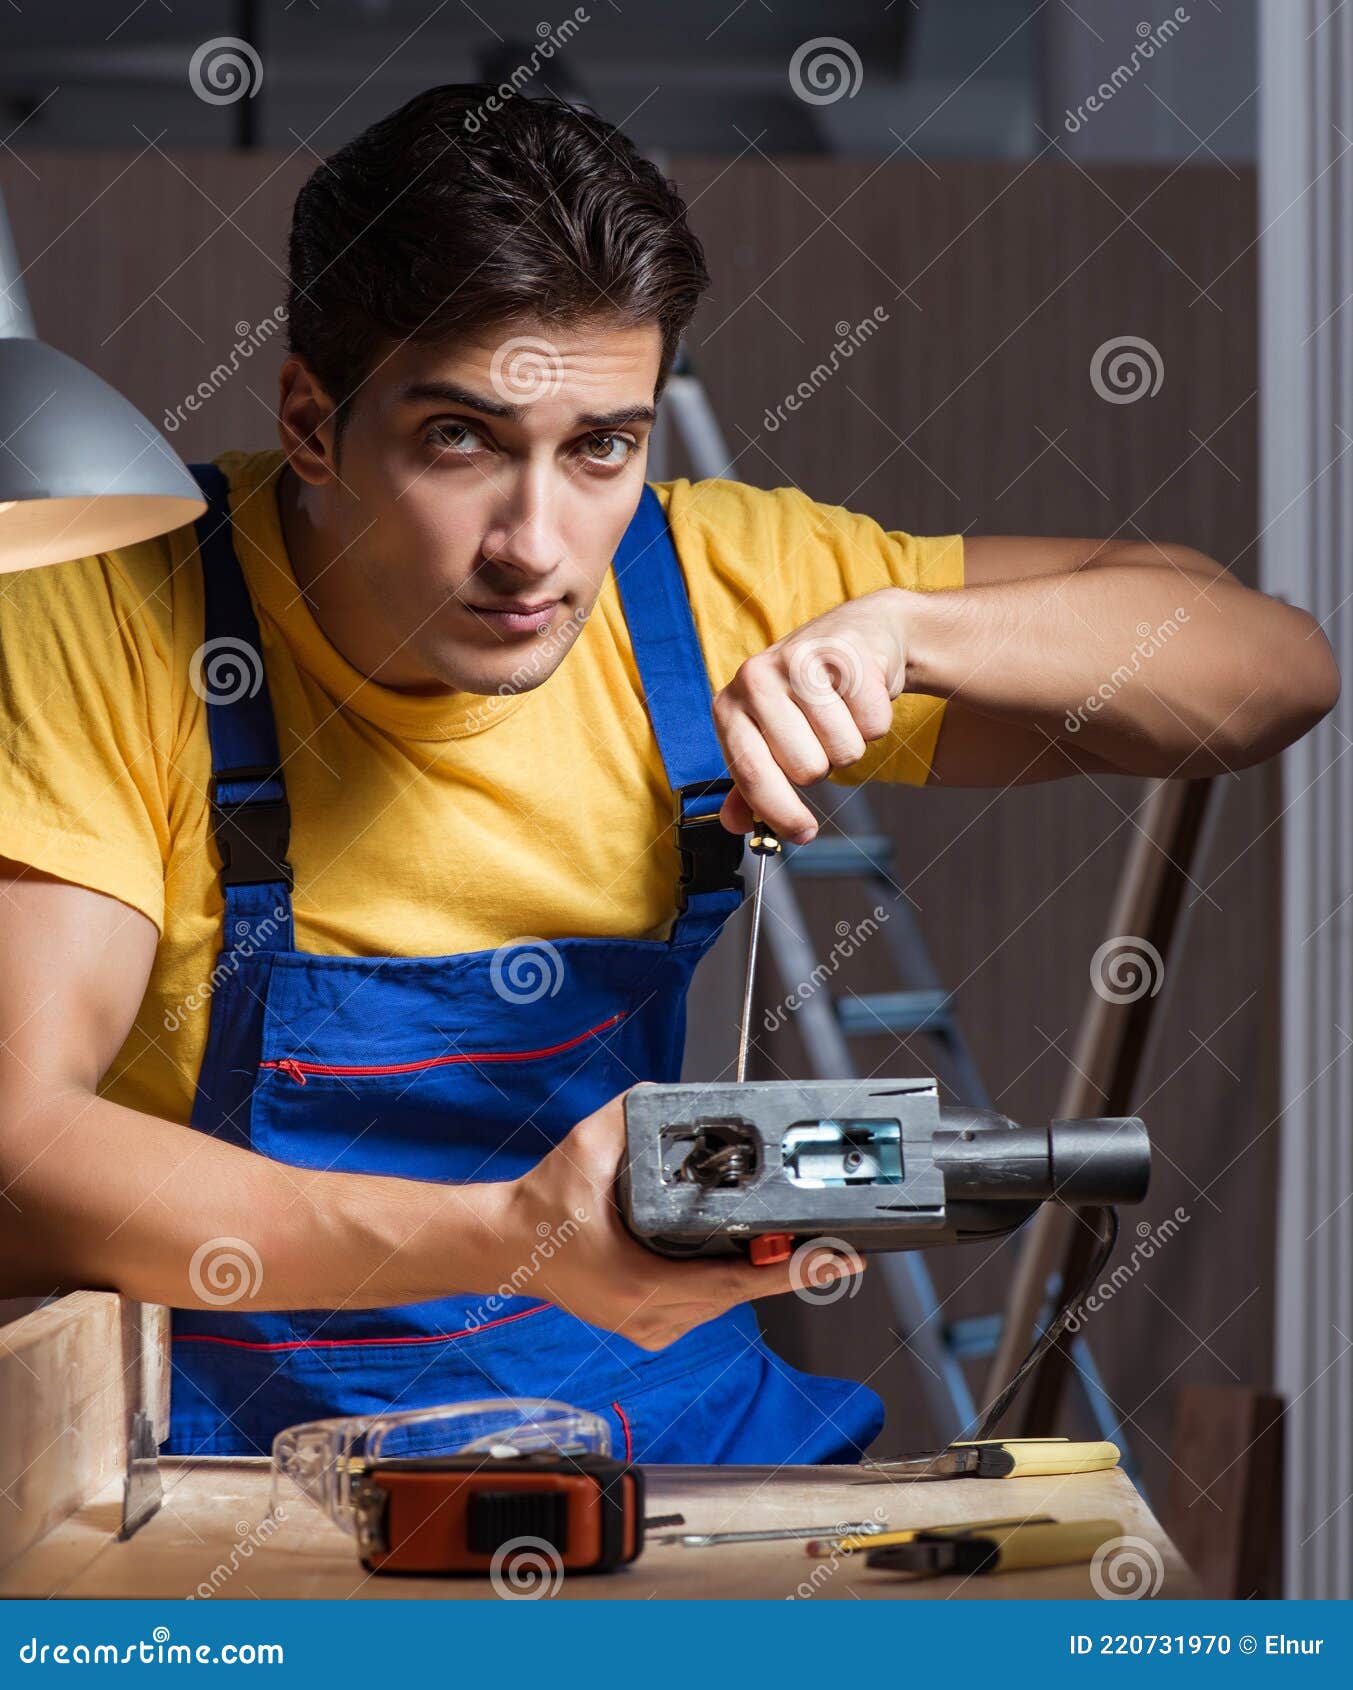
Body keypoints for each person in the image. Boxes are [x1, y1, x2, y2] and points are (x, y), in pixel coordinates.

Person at [0, 87, 1336, 1462]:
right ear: (309, 424)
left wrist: (916, 633)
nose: (537, 545)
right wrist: (511, 1239)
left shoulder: (700, 588)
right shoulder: (111, 613)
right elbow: (22, 1145)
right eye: (460, 440)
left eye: (601, 447)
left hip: (669, 1444)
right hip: (250, 1477)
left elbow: (1269, 665)